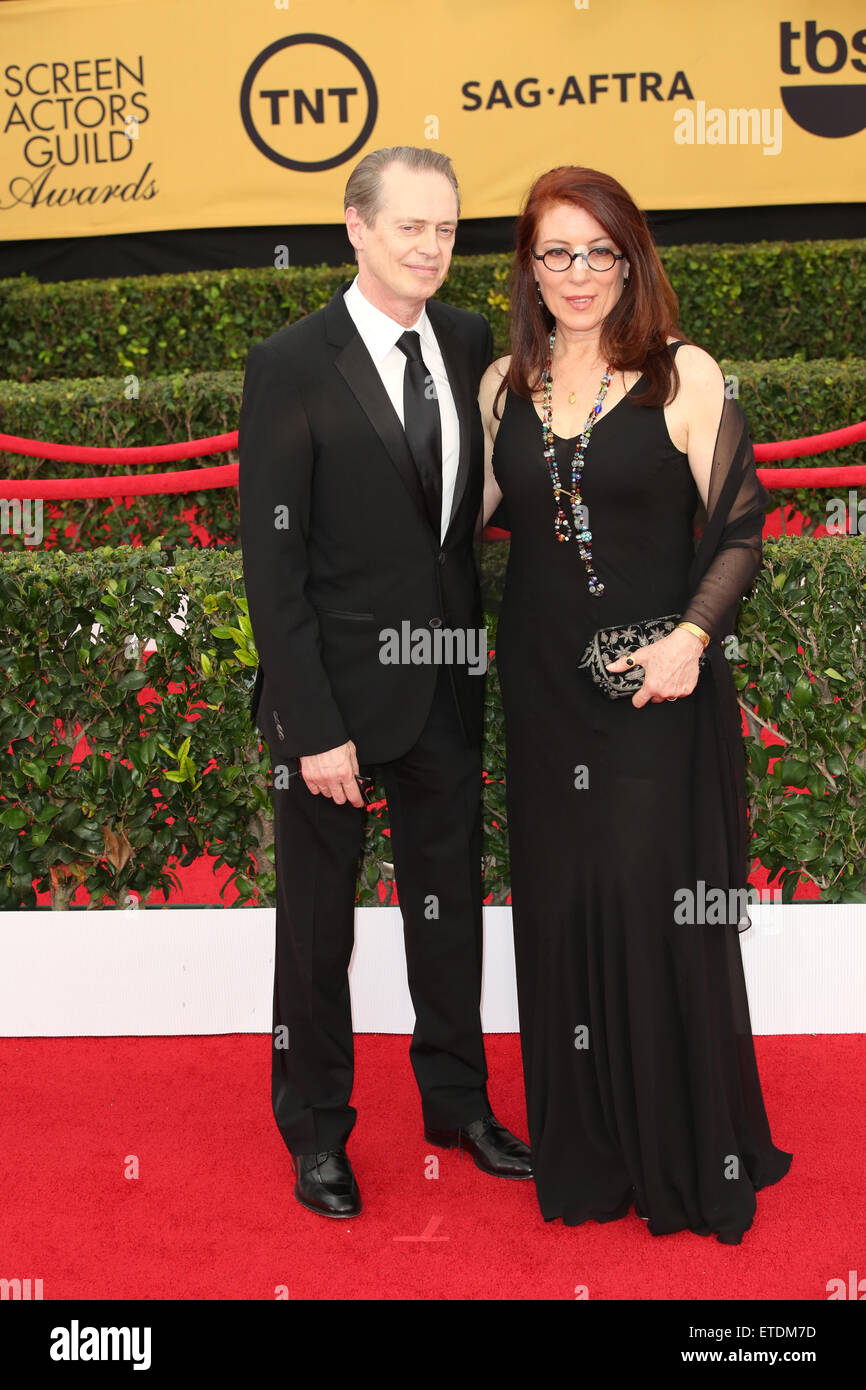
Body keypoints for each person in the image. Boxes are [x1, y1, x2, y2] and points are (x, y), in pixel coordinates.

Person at [478, 165, 792, 1243]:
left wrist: (690, 638)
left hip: (655, 688)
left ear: (630, 260)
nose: (577, 274)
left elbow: (741, 524)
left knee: (653, 903)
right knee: (562, 904)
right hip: (541, 690)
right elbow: (460, 518)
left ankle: (682, 1150)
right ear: (527, 264)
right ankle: (587, 1152)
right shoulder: (498, 385)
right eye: (555, 252)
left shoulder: (681, 375)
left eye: (598, 252)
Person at [238, 146, 532, 1220]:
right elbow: (271, 564)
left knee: (447, 909)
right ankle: (316, 1130)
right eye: (409, 226)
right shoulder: (290, 362)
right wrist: (312, 726)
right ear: (354, 227)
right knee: (318, 929)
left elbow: (464, 519)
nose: (429, 247)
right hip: (333, 704)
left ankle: (456, 1103)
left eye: (446, 229)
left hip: (446, 685)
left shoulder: (463, 342)